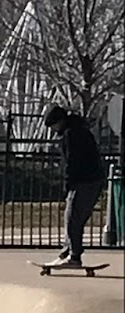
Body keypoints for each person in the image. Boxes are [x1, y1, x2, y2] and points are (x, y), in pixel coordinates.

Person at [42, 104, 107, 269]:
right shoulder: (77, 129)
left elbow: (72, 161)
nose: (53, 130)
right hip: (90, 180)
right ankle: (67, 252)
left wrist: (68, 182)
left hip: (84, 181)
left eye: (53, 126)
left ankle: (74, 256)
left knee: (73, 218)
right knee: (73, 218)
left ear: (60, 121)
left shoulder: (72, 134)